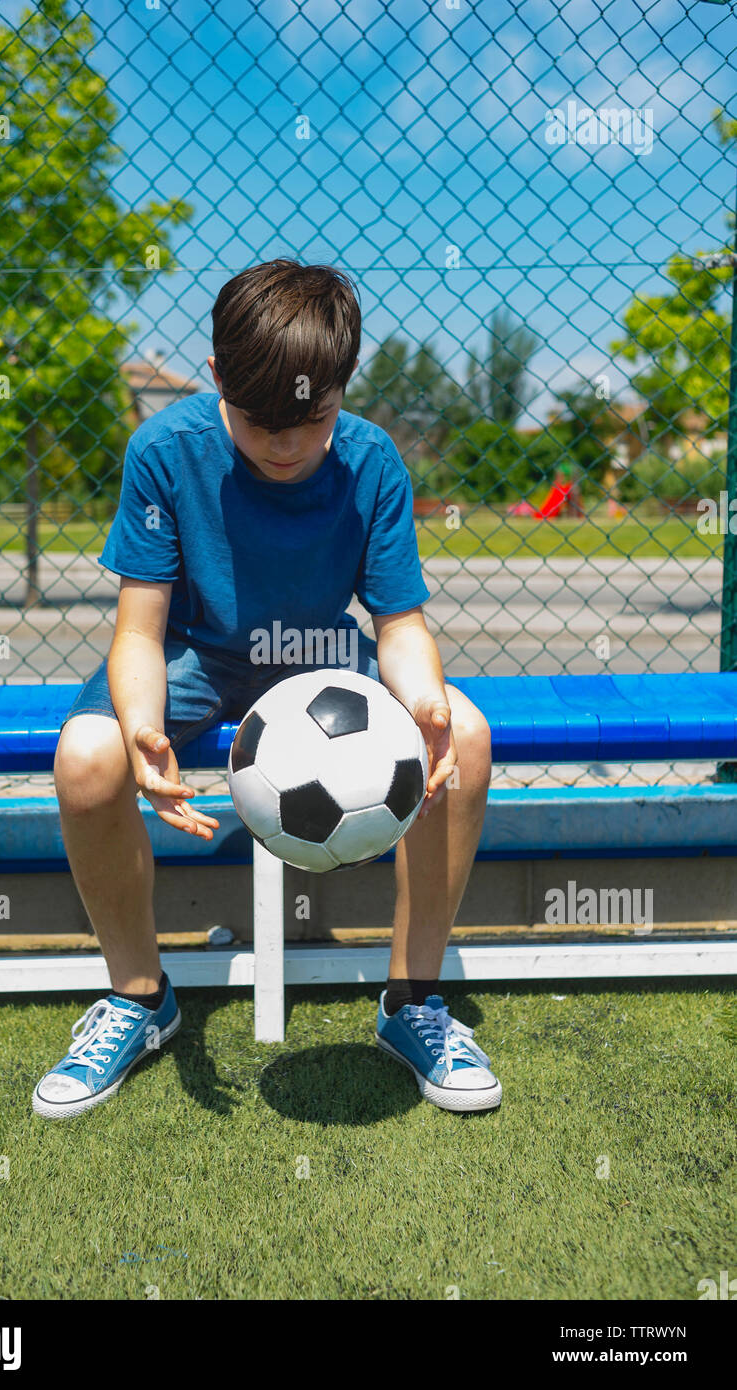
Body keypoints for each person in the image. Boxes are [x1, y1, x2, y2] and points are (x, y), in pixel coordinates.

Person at [32, 259, 500, 1120]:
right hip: (194, 656)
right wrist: (141, 730)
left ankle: (412, 1000)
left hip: (324, 660)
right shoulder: (164, 451)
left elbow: (396, 624)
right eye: (258, 424)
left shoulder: (370, 462)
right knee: (87, 756)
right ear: (216, 378)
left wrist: (427, 701)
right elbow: (138, 630)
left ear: (342, 387)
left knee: (463, 738)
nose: (285, 445)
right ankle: (140, 999)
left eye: (311, 421)